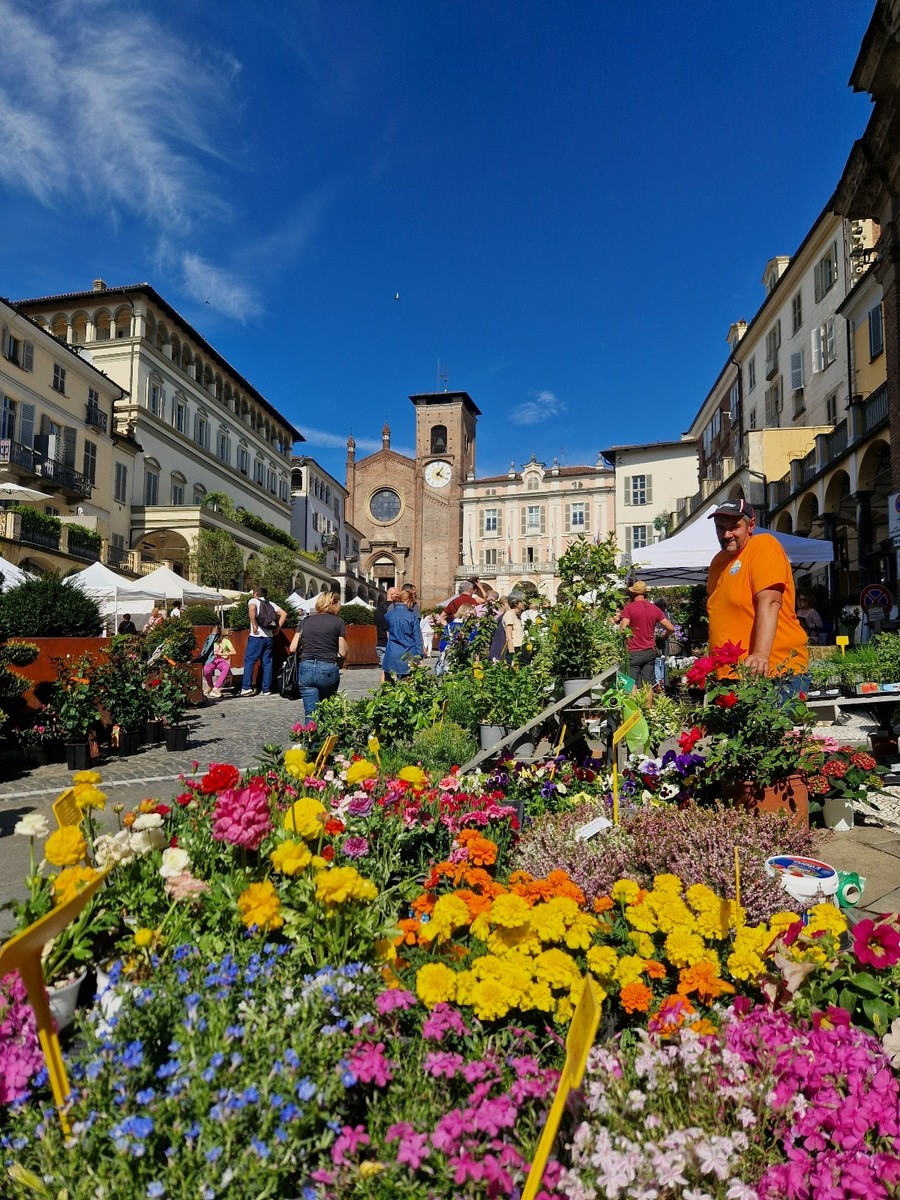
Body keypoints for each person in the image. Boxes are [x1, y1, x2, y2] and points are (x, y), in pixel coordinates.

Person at [706, 499, 809, 691]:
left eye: (734, 527)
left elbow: (770, 602)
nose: (726, 534)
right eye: (720, 528)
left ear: (751, 525)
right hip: (730, 675)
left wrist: (761, 653)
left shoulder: (763, 546)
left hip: (771, 671)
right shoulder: (718, 563)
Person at [288, 591, 347, 719]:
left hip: (306, 668)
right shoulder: (338, 622)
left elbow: (292, 647)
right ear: (333, 604)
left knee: (311, 714)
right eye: (339, 604)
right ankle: (327, 738)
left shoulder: (306, 621)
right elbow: (343, 652)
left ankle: (311, 738)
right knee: (327, 712)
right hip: (327, 668)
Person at [618, 581, 675, 687]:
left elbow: (623, 629)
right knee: (648, 685)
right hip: (649, 651)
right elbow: (671, 628)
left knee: (630, 684)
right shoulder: (655, 609)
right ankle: (647, 704)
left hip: (633, 651)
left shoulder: (629, 608)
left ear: (632, 594)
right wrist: (664, 636)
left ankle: (634, 704)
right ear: (646, 594)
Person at [241, 587, 287, 696]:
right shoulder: (270, 603)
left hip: (256, 637)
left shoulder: (253, 601)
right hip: (269, 637)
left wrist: (254, 625)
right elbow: (284, 614)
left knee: (249, 661)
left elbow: (252, 610)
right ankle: (266, 689)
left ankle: (246, 687)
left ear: (256, 593)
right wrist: (277, 628)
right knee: (267, 663)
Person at [383, 585, 424, 679]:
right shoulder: (412, 616)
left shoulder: (389, 616)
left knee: (391, 687)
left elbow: (388, 635)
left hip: (392, 653)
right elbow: (417, 639)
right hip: (408, 654)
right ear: (409, 601)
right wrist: (419, 656)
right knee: (408, 688)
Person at [203, 623, 235, 698]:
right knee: (206, 669)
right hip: (212, 660)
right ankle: (210, 686)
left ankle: (216, 687)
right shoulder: (210, 641)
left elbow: (234, 652)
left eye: (216, 632)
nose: (214, 634)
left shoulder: (225, 641)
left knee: (226, 667)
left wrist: (222, 654)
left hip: (220, 660)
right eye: (213, 632)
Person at [374, 588, 398, 670]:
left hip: (380, 643)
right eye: (398, 595)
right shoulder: (395, 609)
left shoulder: (378, 609)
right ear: (393, 595)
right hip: (392, 645)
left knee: (384, 673)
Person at [500, 595, 528, 662]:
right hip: (515, 648)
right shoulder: (509, 615)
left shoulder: (516, 615)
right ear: (516, 604)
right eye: (522, 601)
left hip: (521, 647)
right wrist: (512, 655)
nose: (524, 603)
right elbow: (508, 636)